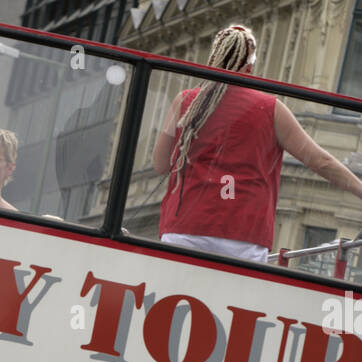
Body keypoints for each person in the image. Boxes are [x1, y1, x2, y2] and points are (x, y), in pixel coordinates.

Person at [155, 23, 362, 263]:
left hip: (183, 228)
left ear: (213, 58)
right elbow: (320, 161)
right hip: (243, 236)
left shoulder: (186, 102)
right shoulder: (270, 108)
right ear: (250, 66)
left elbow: (161, 164)